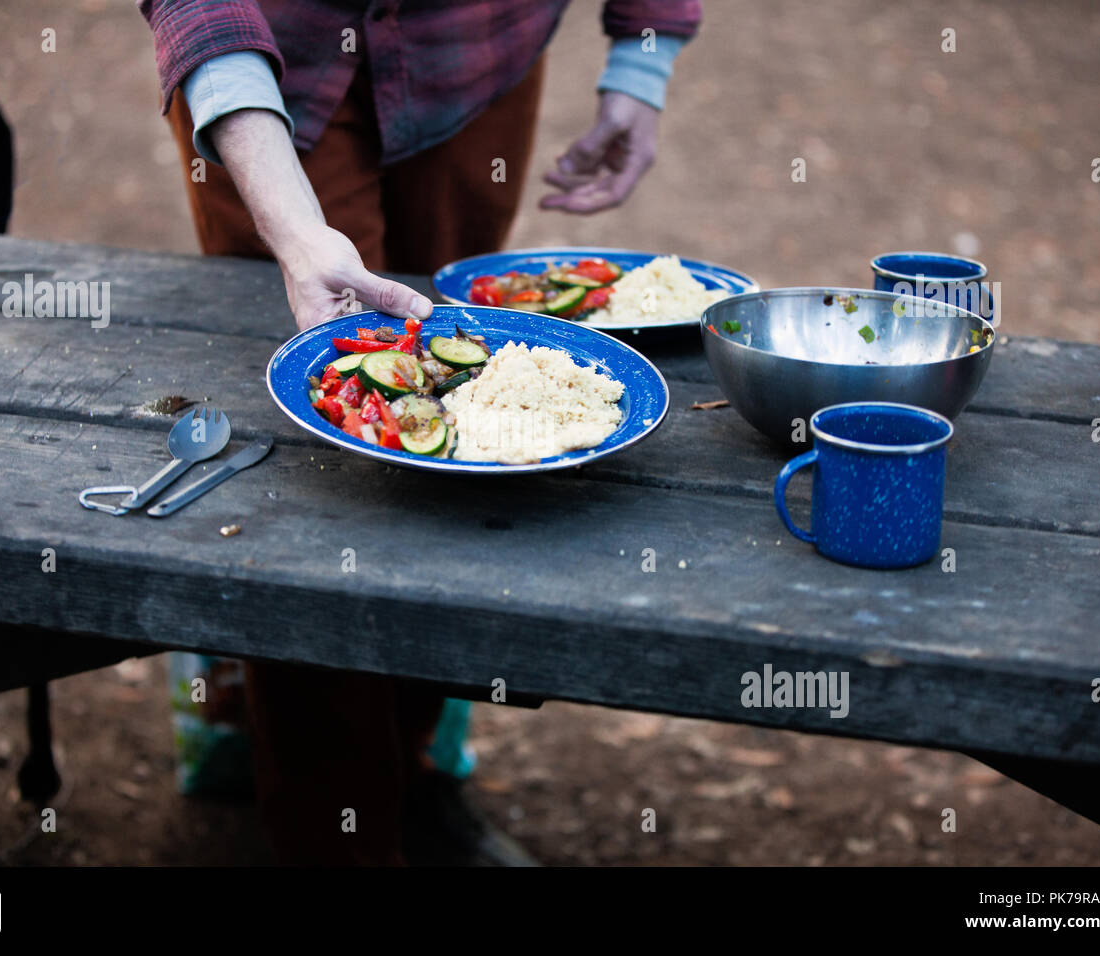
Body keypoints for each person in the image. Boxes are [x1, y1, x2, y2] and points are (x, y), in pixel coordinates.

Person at [139, 0, 701, 865]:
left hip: (479, 51)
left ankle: (411, 773)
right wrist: (293, 228)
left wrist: (642, 53)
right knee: (324, 491)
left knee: (456, 463)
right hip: (269, 67)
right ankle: (336, 831)